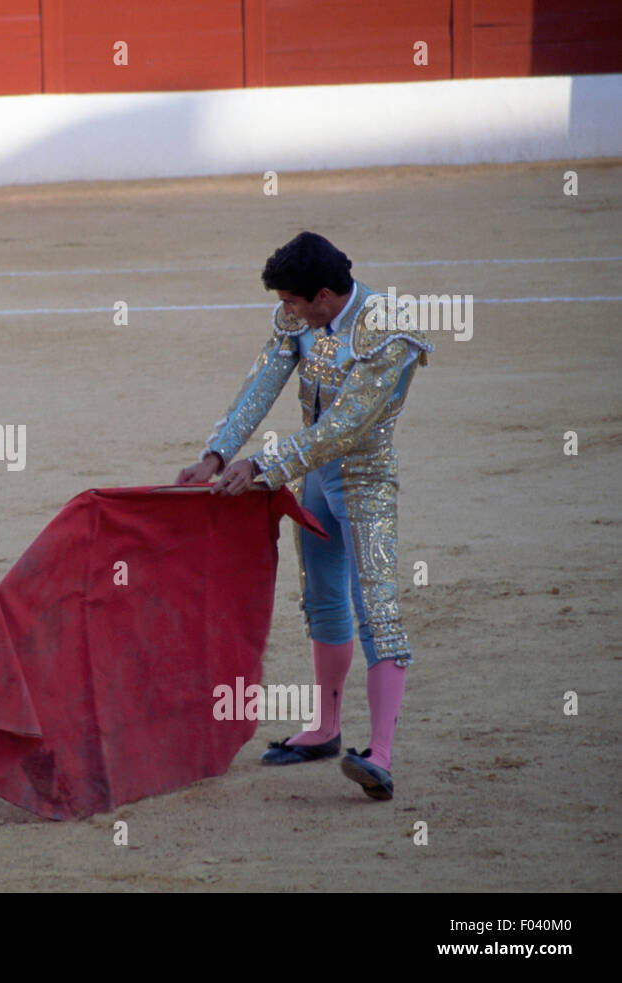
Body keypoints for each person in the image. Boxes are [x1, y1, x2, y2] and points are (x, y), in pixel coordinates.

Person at [176, 231, 433, 800]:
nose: (285, 312)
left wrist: (266, 465)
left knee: (378, 608)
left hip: (363, 481)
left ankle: (382, 755)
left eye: (292, 301)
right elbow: (264, 379)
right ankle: (325, 728)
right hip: (316, 478)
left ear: (323, 295)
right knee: (320, 597)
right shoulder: (300, 317)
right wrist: (216, 454)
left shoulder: (390, 332)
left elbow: (346, 428)